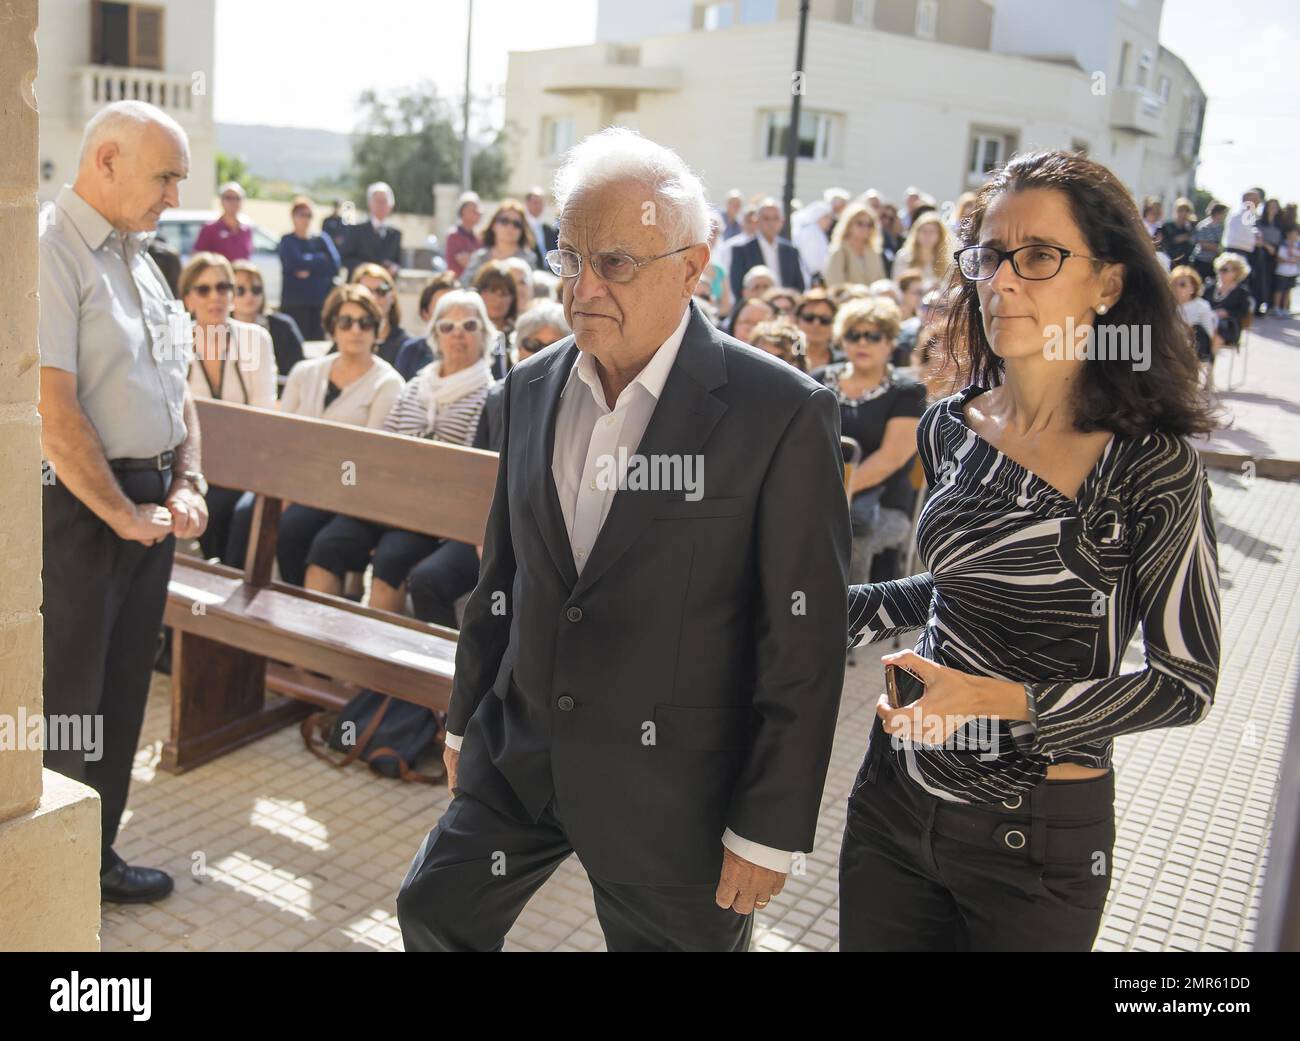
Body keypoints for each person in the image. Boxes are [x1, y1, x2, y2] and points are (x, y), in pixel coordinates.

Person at [397, 126, 850, 953]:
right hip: (522, 757)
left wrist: (768, 825)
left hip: (674, 791)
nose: (582, 286)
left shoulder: (779, 413)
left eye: (615, 262)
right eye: (568, 258)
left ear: (692, 268)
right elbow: (503, 573)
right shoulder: (526, 392)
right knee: (433, 910)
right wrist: (466, 719)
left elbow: (804, 637)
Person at [841, 149, 1221, 952]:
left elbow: (1185, 683)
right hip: (895, 798)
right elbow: (948, 591)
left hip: (1038, 841)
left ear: (1108, 283)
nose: (1001, 280)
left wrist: (1002, 701)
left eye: (1039, 256)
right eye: (987, 255)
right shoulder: (950, 424)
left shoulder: (1150, 462)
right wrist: (814, 609)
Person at [38, 100, 209, 903]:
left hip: (149, 510)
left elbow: (182, 391)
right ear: (105, 160)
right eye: (165, 175)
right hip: (80, 507)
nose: (175, 194)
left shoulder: (142, 259)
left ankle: (95, 858)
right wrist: (116, 513)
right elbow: (51, 406)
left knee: (122, 693)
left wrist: (188, 482)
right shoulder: (47, 250)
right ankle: (50, 876)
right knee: (69, 698)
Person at [302, 291, 495, 612]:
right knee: (327, 546)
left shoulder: (490, 395)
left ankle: (376, 662)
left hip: (433, 514)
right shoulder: (416, 386)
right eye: (447, 326)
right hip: (386, 500)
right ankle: (313, 657)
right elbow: (385, 445)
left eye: (468, 325)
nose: (457, 333)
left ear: (484, 334)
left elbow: (467, 468)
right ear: (435, 336)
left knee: (390, 561)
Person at [229, 285, 405, 583]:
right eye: (346, 321)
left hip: (344, 488)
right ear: (332, 327)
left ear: (377, 330)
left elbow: (368, 455)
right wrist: (285, 489)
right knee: (246, 513)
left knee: (293, 527)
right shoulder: (305, 372)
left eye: (365, 322)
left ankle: (291, 609)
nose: (355, 330)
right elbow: (283, 438)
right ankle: (229, 603)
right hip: (293, 479)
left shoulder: (388, 383)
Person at [812, 297, 924, 582]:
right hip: (816, 496)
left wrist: (833, 493)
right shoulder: (818, 381)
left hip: (881, 505)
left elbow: (890, 459)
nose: (863, 343)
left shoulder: (907, 392)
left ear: (889, 342)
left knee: (852, 537)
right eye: (854, 335)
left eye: (873, 336)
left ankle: (855, 619)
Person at [180, 254, 276, 563]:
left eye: (223, 287)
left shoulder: (255, 338)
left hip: (245, 464)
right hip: (192, 464)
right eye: (203, 289)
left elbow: (264, 414)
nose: (215, 297)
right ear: (188, 298)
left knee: (243, 515)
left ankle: (230, 600)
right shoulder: (173, 340)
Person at [278, 195, 341, 341]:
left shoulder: (322, 239)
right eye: (301, 214)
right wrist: (320, 260)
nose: (305, 219)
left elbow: (334, 265)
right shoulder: (287, 240)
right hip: (294, 303)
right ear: (293, 216)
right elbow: (292, 263)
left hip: (318, 303)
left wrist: (308, 265)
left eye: (309, 215)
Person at [231, 259, 304, 385]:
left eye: (256, 289)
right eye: (240, 290)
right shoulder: (216, 328)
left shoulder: (284, 327)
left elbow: (298, 374)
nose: (249, 296)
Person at [728, 197, 807, 299]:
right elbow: (737, 288)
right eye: (766, 218)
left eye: (775, 218)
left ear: (782, 221)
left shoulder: (791, 251)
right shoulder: (742, 250)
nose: (771, 223)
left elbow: (799, 287)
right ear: (757, 221)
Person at [395, 271, 460, 379]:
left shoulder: (475, 348)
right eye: (441, 308)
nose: (449, 315)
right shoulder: (411, 351)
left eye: (454, 306)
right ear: (425, 313)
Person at [462, 199, 538, 286]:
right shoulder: (480, 257)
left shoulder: (529, 259)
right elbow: (464, 285)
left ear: (522, 230)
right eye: (505, 221)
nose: (510, 227)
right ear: (494, 225)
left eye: (517, 224)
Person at [347, 262, 408, 366]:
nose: (374, 298)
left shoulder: (407, 347)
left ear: (392, 296)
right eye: (365, 291)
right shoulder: (346, 341)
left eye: (382, 290)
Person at [342, 181, 401, 279]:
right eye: (377, 201)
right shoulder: (356, 230)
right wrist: (367, 267)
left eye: (384, 201)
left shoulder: (396, 234)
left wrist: (394, 268)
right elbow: (345, 259)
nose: (381, 205)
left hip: (382, 288)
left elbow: (398, 262)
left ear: (390, 205)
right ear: (370, 204)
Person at [1170, 265, 1217, 387]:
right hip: (1171, 343)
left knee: (1196, 331)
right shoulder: (1167, 305)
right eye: (1174, 284)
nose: (1177, 288)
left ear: (1193, 288)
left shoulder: (1202, 306)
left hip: (1195, 345)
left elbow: (1210, 333)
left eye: (1182, 285)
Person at [471, 261, 519, 377]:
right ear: (479, 293)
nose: (498, 300)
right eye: (492, 291)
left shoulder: (517, 336)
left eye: (504, 294)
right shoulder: (470, 333)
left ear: (512, 298)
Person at [824, 202, 887, 288]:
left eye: (869, 225)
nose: (865, 228)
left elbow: (881, 281)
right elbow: (835, 285)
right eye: (860, 223)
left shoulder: (873, 252)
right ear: (849, 225)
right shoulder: (839, 251)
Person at [891, 210, 954, 289]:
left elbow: (949, 287)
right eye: (924, 231)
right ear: (916, 233)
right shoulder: (904, 257)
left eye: (932, 232)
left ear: (940, 235)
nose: (927, 236)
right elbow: (897, 285)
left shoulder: (946, 259)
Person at [193, 181, 252, 262]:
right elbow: (197, 257)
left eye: (237, 198)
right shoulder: (209, 228)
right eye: (228, 198)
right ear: (221, 201)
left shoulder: (246, 229)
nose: (233, 202)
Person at [1207, 252, 1253, 348]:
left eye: (1225, 270)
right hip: (1207, 322)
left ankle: (1209, 361)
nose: (1221, 272)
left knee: (1212, 336)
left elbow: (1243, 313)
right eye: (1220, 269)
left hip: (1228, 326)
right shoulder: (1209, 288)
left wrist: (1227, 312)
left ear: (1235, 273)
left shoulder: (1241, 293)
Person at [794, 287, 840, 371]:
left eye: (824, 319)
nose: (816, 324)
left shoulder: (843, 361)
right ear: (797, 320)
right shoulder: (785, 357)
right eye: (809, 318)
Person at [445, 191, 483, 279]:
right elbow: (465, 262)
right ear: (463, 211)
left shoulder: (479, 236)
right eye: (474, 210)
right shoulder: (454, 235)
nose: (478, 213)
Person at [793, 200, 834, 280]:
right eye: (827, 217)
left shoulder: (816, 231)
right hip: (811, 277)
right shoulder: (811, 231)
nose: (830, 221)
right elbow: (811, 259)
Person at [1256, 199, 1283, 316]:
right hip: (1263, 253)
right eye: (1271, 206)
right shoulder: (1259, 222)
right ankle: (1258, 305)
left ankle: (1271, 306)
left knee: (1274, 280)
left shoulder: (1279, 224)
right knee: (1262, 280)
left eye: (1275, 206)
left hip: (1276, 254)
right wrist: (1267, 246)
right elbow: (1257, 237)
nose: (1273, 208)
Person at [523, 187, 559, 269]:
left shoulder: (548, 229)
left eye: (541, 203)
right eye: (535, 202)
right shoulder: (520, 227)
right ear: (527, 204)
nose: (538, 206)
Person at [1192, 202, 1227, 282]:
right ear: (1217, 213)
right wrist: (1218, 248)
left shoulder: (1222, 227)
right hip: (1202, 261)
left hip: (1214, 261)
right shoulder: (1204, 226)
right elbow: (1201, 243)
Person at [1161, 198, 1197, 269]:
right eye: (1180, 210)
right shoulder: (1167, 226)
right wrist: (1176, 239)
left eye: (1187, 211)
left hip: (1185, 263)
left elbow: (1194, 245)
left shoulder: (1190, 228)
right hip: (1169, 262)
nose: (1183, 214)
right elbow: (1163, 244)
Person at [1273, 225, 1299, 318]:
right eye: (1293, 233)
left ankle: (1284, 309)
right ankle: (1276, 308)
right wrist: (1290, 259)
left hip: (1292, 272)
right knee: (1279, 290)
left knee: (1288, 290)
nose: (1295, 235)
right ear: (1288, 234)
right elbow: (1280, 258)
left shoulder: (1297, 245)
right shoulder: (1283, 244)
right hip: (1282, 271)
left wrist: (1294, 257)